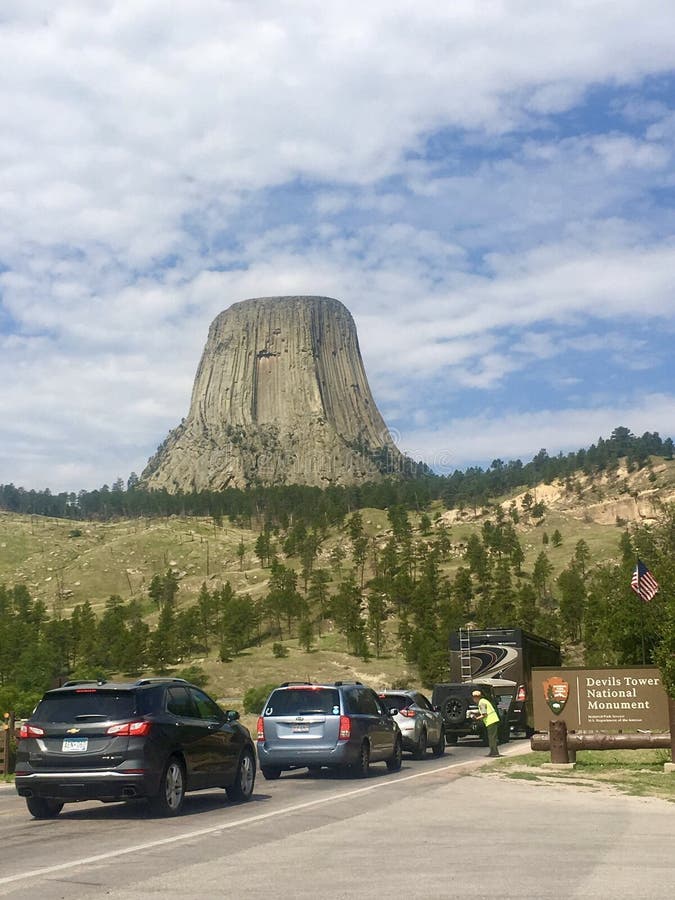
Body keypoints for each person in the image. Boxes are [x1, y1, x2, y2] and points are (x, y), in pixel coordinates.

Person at [471, 689, 501, 757]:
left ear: (476, 697)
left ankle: (494, 752)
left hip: (491, 721)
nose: (473, 699)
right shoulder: (484, 701)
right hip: (493, 720)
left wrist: (476, 718)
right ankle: (494, 752)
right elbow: (483, 712)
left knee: (491, 738)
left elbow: (484, 714)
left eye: (474, 697)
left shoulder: (481, 703)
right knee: (492, 737)